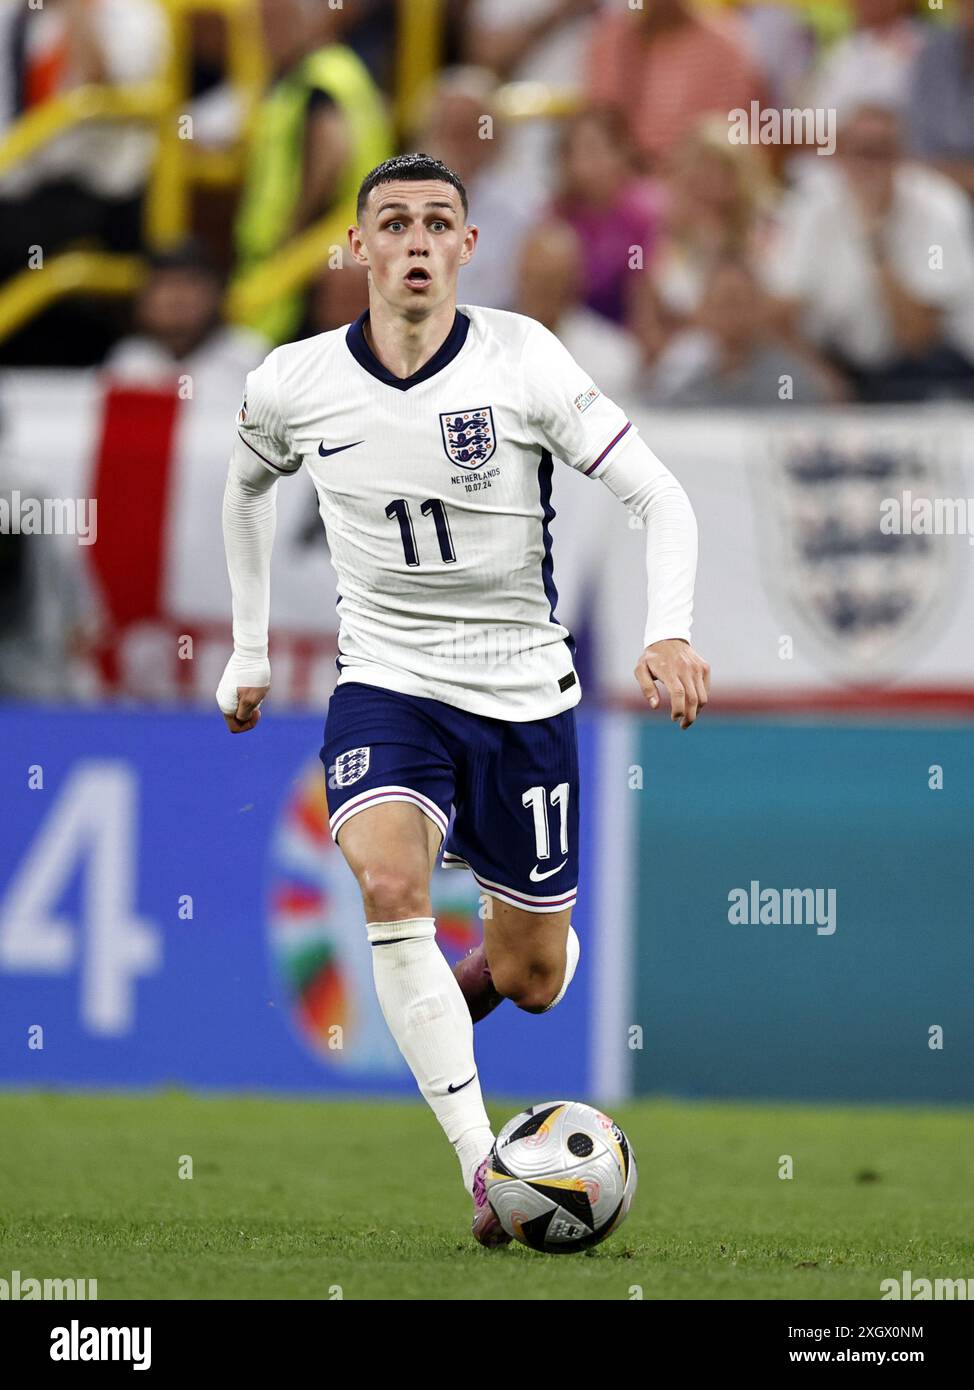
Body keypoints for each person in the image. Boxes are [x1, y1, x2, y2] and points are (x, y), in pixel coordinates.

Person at [216, 153, 708, 1246]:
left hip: (523, 694)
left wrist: (665, 628)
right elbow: (244, 487)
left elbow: (658, 495)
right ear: (357, 249)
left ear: (466, 247)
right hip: (387, 682)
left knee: (535, 978)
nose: (415, 241)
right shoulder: (293, 382)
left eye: (438, 221)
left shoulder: (522, 359)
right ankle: (484, 1166)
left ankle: (486, 967)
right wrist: (248, 649)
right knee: (389, 883)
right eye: (391, 222)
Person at [765, 103, 974, 401]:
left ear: (903, 156)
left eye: (881, 152)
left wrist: (875, 243)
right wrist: (821, 374)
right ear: (839, 156)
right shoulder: (811, 207)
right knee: (784, 386)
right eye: (860, 151)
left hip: (932, 371)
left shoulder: (940, 208)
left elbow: (918, 336)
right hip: (843, 364)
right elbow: (781, 315)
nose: (870, 165)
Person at [231, 0, 392, 344]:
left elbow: (332, 148)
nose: (268, 34)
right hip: (325, 249)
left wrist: (298, 225)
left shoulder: (319, 76)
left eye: (279, 21)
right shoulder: (338, 72)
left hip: (308, 260)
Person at [103, 239, 268, 390]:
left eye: (190, 284)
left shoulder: (249, 358)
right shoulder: (128, 361)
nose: (176, 299)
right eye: (163, 286)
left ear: (217, 293)